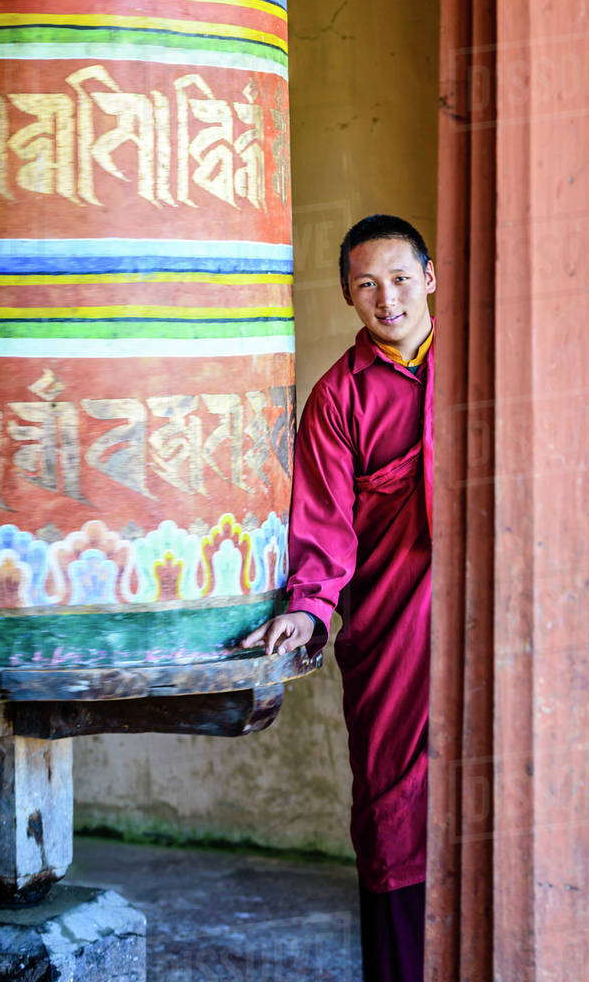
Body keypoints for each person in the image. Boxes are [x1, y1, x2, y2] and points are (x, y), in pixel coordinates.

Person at [241, 213, 435, 982]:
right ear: (349, 297)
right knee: (393, 810)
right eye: (365, 285)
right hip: (394, 630)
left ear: (429, 277)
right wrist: (307, 608)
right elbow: (322, 528)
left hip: (494, 622)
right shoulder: (339, 397)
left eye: (397, 278)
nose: (385, 298)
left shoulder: (489, 357)